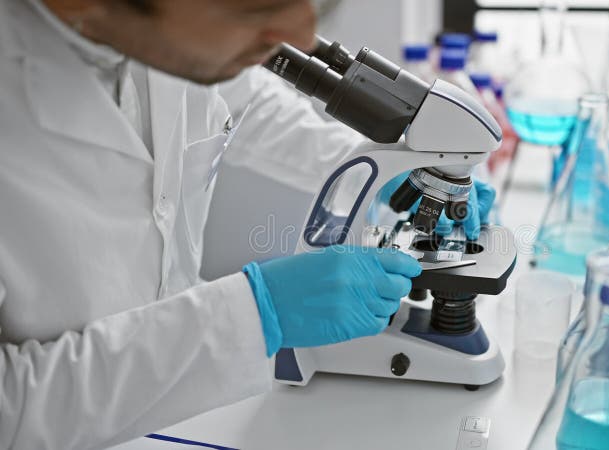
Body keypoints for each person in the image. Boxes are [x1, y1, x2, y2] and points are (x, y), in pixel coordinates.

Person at [0, 0, 496, 449]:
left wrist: (383, 167)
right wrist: (256, 315)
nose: (301, 37)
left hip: (184, 410)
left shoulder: (169, 36)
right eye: (258, 8)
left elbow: (244, 100)